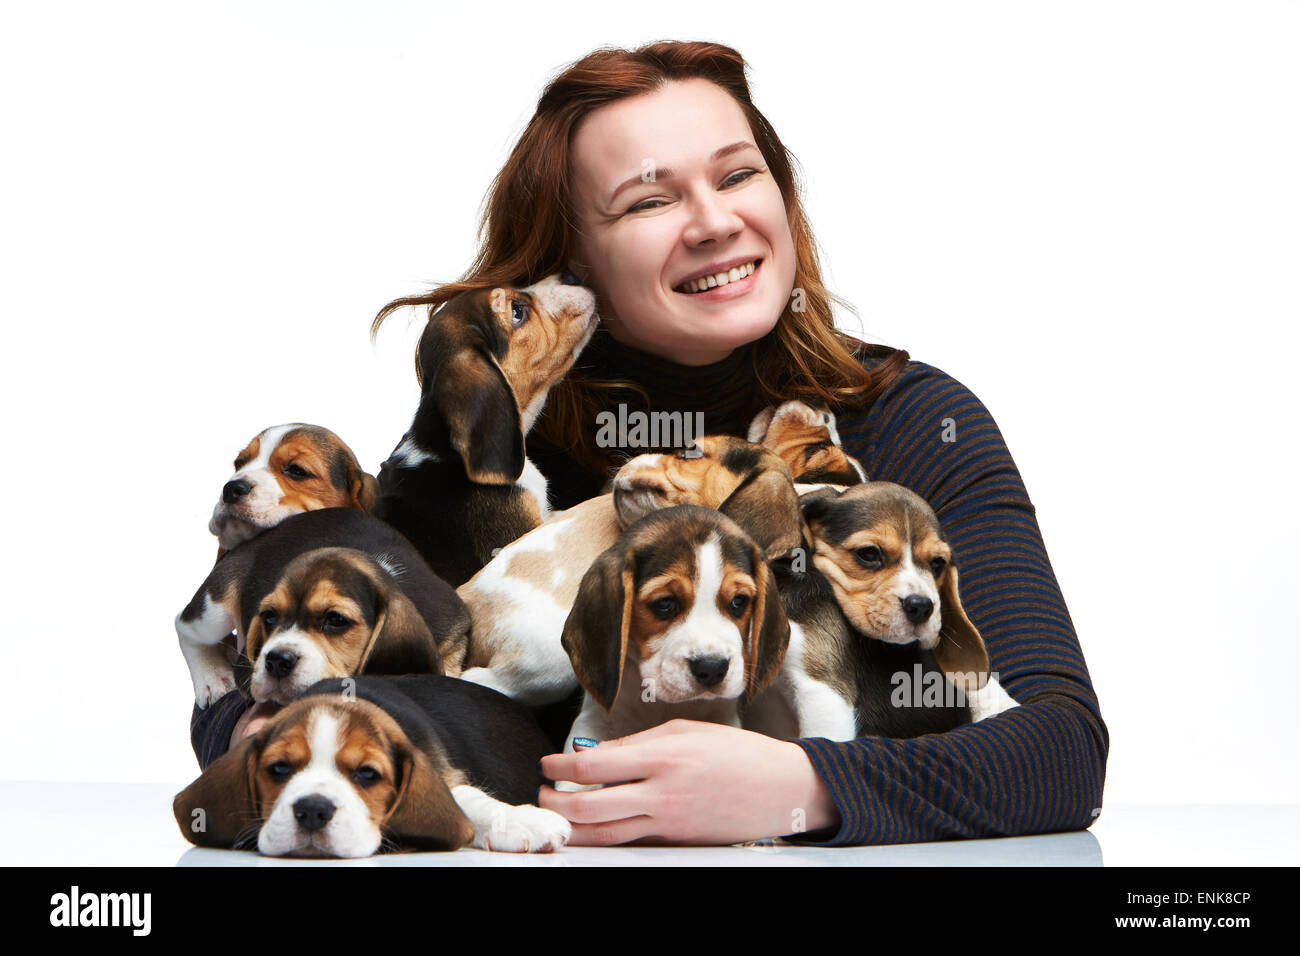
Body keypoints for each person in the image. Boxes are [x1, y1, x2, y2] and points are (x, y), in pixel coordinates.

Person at [191, 40, 1107, 848]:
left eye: (739, 175)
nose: (713, 221)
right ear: (573, 260)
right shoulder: (499, 453)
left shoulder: (903, 419)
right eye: (647, 200)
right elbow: (281, 677)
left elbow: (1063, 749)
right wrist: (253, 732)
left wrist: (806, 789)